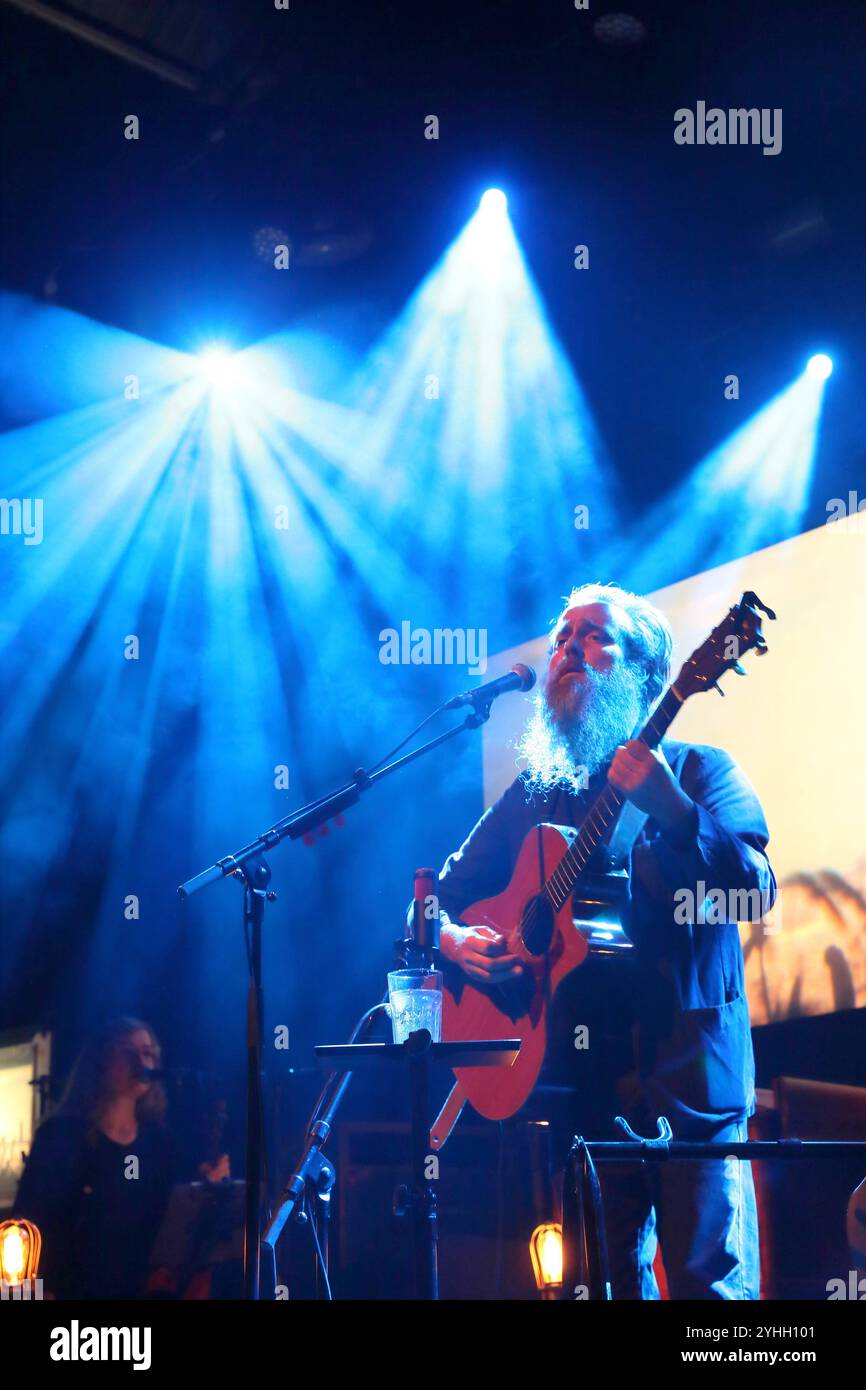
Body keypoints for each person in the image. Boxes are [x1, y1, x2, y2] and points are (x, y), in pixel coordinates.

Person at [434, 582, 775, 1299]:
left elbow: (754, 890)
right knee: (598, 1287)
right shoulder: (535, 795)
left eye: (592, 637)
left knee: (706, 1292)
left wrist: (677, 814)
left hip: (690, 1085)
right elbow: (438, 900)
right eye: (561, 637)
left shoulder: (699, 771)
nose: (566, 650)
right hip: (585, 1090)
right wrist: (453, 938)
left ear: (649, 674)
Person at [13, 1016, 175, 1299]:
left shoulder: (158, 1144)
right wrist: (34, 1293)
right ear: (100, 1063)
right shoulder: (60, 1137)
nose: (142, 1063)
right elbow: (27, 1224)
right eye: (127, 1052)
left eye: (148, 1053)